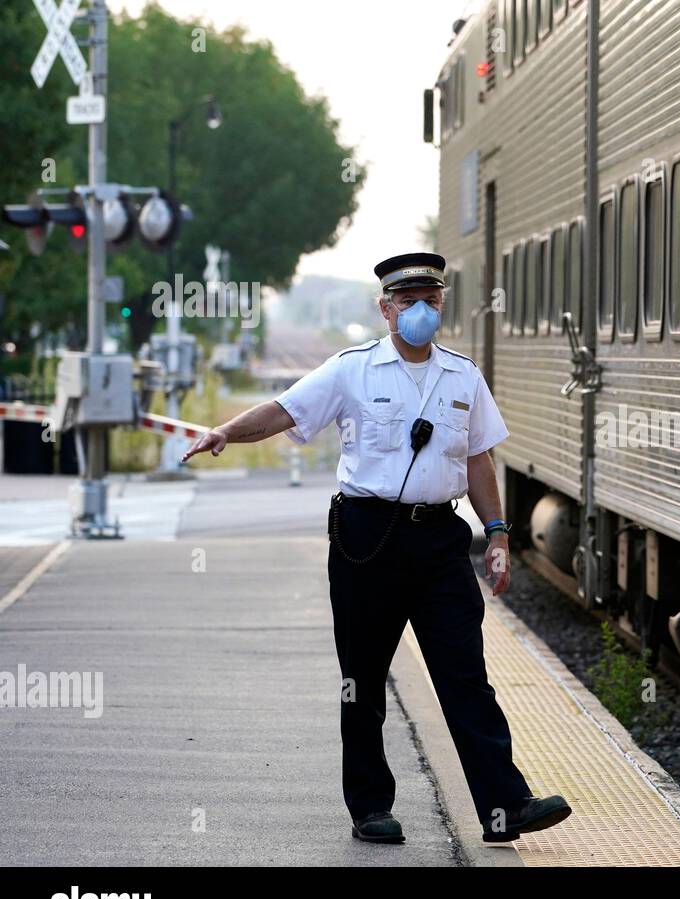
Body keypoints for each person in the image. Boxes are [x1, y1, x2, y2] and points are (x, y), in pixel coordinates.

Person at [182, 251, 571, 846]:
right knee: (362, 678)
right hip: (367, 536)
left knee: (466, 675)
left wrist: (497, 533)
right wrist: (226, 433)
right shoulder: (352, 370)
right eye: (408, 301)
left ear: (442, 305)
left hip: (441, 539)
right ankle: (370, 807)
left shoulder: (462, 375)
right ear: (385, 307)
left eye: (431, 300)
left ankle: (505, 806)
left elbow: (478, 458)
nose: (421, 310)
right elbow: (286, 410)